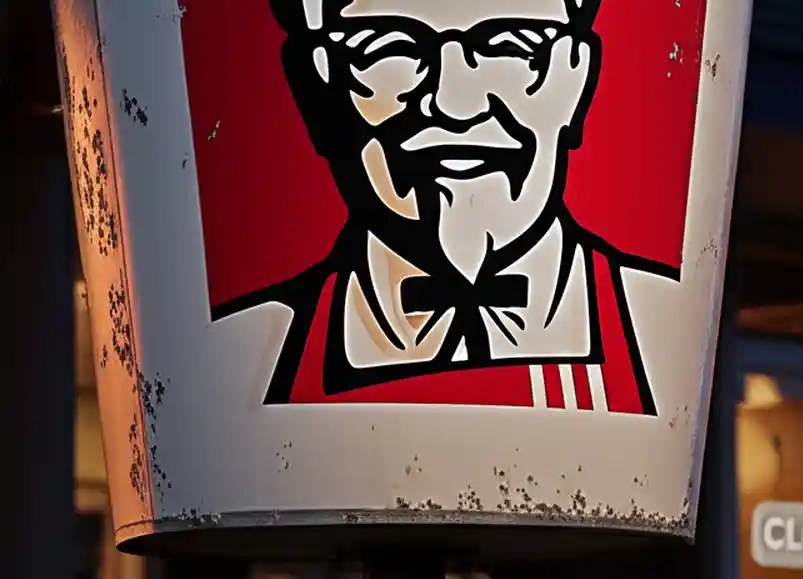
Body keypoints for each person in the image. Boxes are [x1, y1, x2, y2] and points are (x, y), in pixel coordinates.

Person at [214, 0, 675, 414]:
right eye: (389, 47)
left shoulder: (667, 330)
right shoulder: (240, 357)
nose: (454, 103)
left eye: (510, 45)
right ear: (320, 90)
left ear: (576, 79)